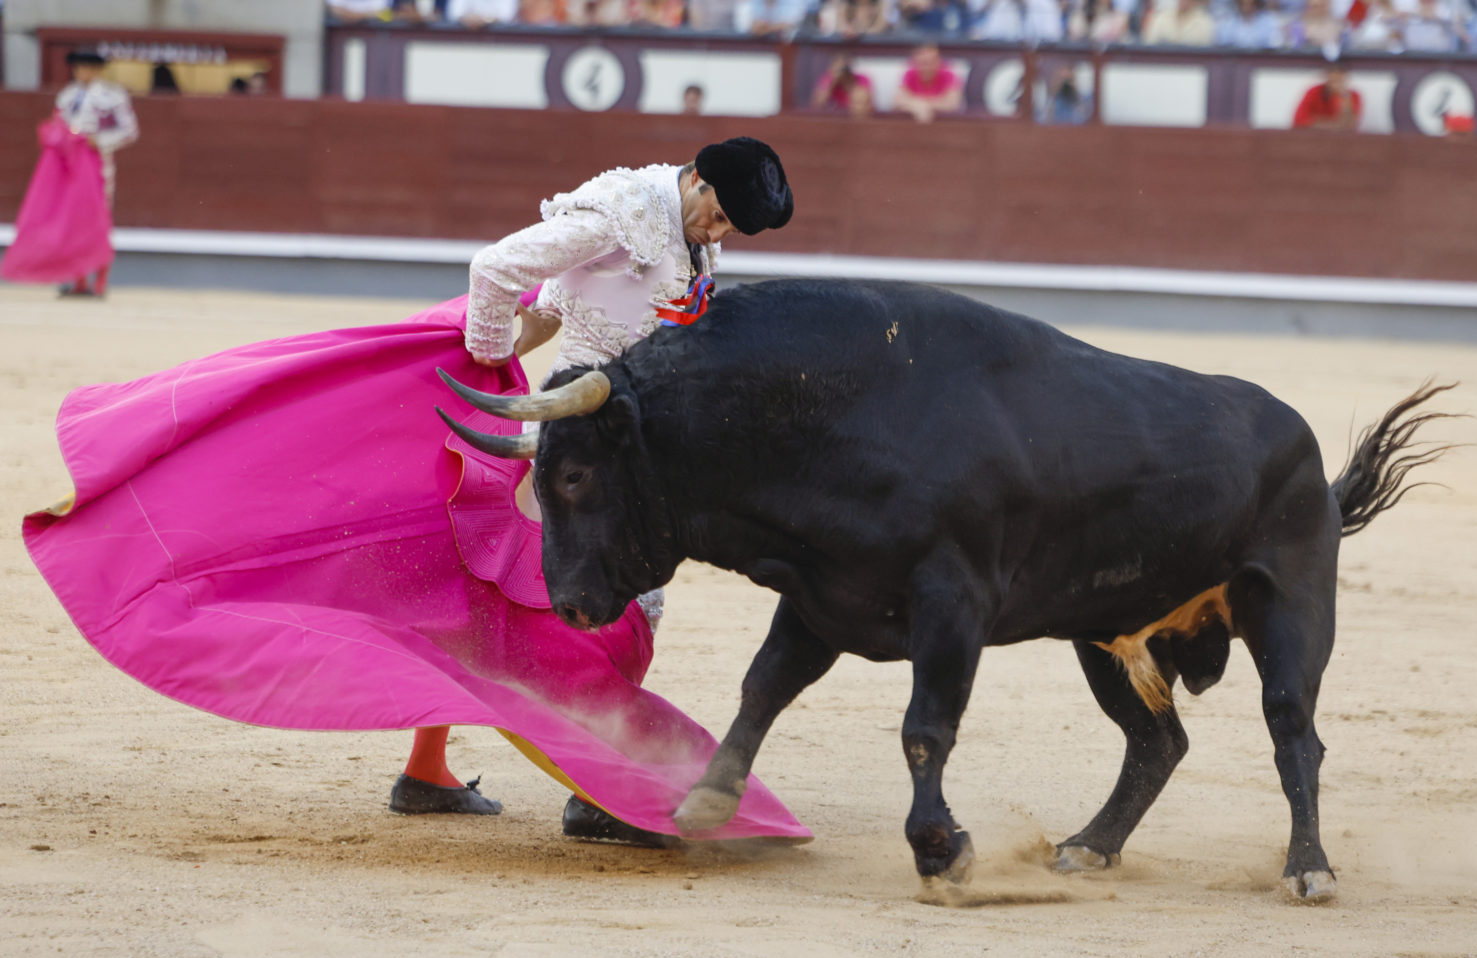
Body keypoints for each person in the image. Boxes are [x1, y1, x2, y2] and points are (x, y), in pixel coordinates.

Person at [24, 139, 806, 850]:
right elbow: (496, 270)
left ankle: (432, 772)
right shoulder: (623, 211)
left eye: (731, 228)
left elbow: (575, 304)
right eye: (718, 214)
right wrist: (488, 371)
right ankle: (597, 791)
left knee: (468, 589)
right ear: (696, 178)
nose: (718, 231)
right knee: (616, 601)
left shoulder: (685, 230)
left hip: (619, 442)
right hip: (578, 445)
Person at [52, 50, 138, 297]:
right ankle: (79, 280)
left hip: (98, 165)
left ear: (98, 70)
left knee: (98, 221)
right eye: (79, 67)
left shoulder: (113, 95)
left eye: (88, 67)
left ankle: (100, 281)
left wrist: (99, 141)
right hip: (70, 166)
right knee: (73, 222)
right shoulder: (67, 96)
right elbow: (59, 127)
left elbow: (130, 130)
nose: (83, 72)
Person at [893, 43, 963, 123]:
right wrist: (917, 106)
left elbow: (953, 104)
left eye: (931, 62)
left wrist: (923, 105)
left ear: (939, 62)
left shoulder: (949, 74)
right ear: (914, 63)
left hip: (945, 123)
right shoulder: (909, 74)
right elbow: (897, 101)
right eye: (922, 63)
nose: (927, 67)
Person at [1291, 60, 1362, 129]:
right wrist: (1335, 125)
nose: (1335, 77)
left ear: (1345, 76)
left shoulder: (1353, 96)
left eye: (1339, 74)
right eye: (1332, 73)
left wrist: (1344, 96)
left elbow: (1350, 126)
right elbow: (1299, 121)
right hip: (1312, 135)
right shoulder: (1314, 92)